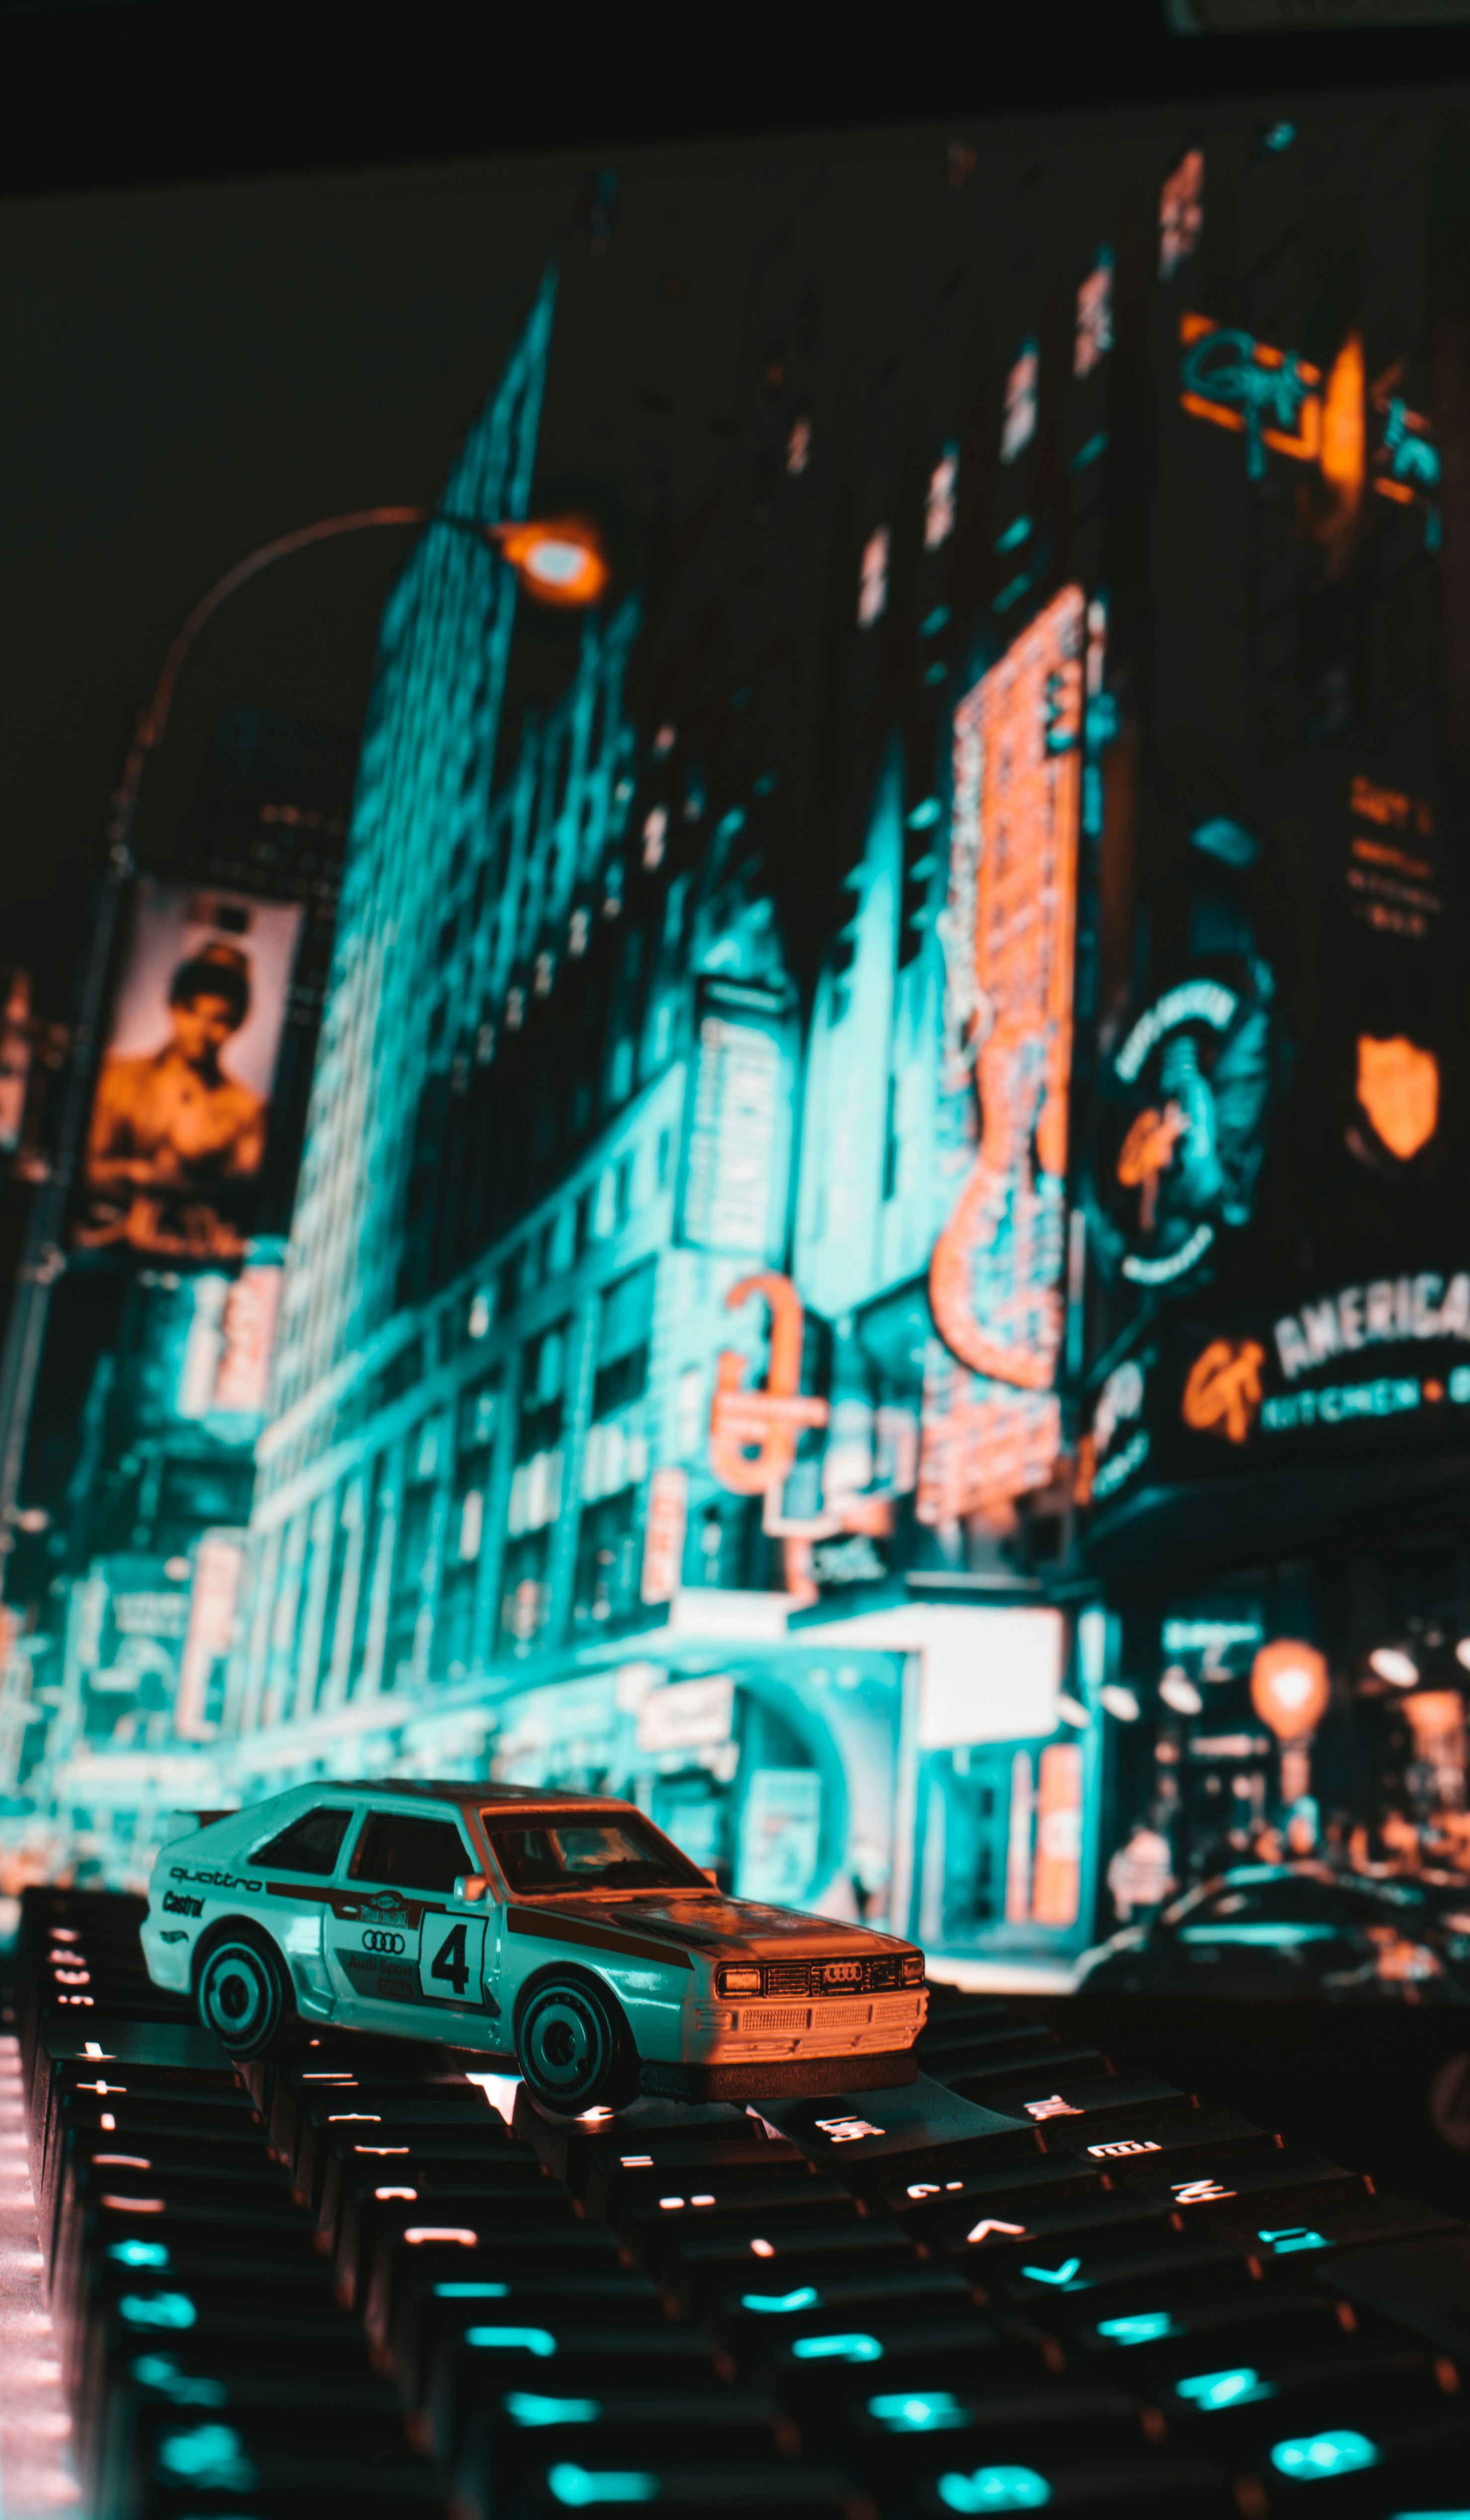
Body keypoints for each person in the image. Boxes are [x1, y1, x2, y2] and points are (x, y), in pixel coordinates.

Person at [83, 942, 266, 1255]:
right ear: (174, 1006)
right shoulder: (117, 1077)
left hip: (192, 1259)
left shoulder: (247, 1109)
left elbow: (246, 1201)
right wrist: (138, 1176)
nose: (203, 1030)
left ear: (238, 1024)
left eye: (220, 1020)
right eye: (193, 1011)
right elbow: (85, 1169)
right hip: (101, 1245)